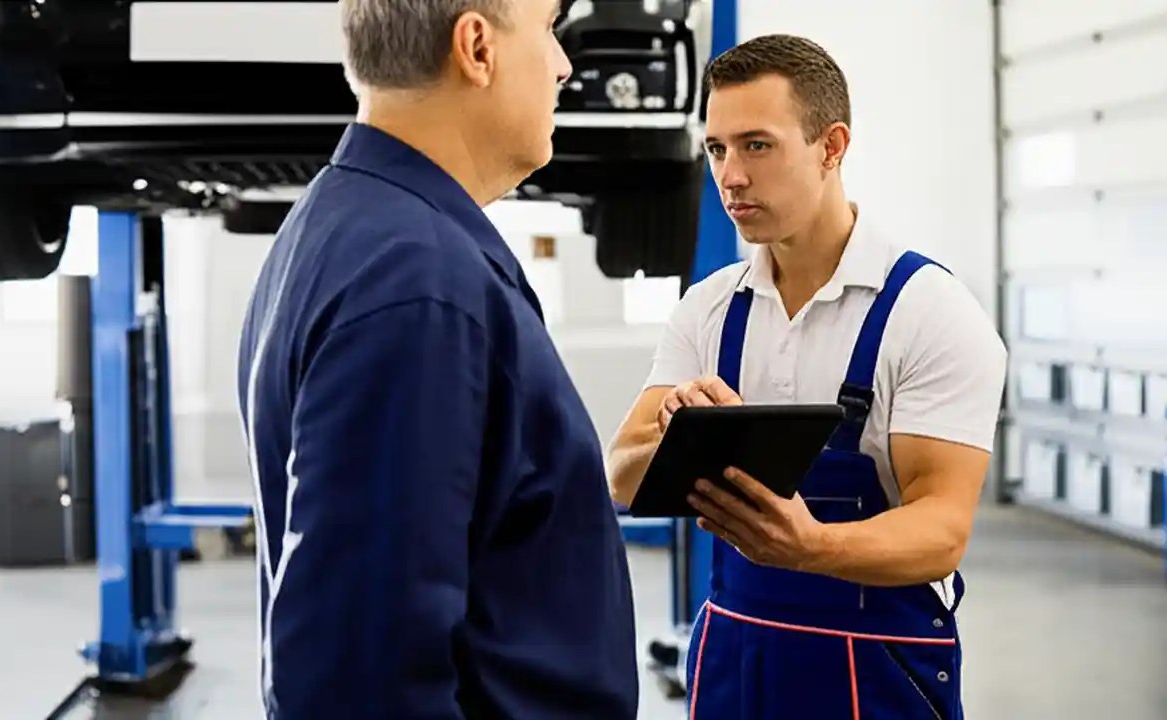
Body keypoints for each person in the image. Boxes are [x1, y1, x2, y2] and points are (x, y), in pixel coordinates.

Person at [236, 1, 638, 718]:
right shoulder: (415, 282)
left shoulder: (354, 227)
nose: (564, 65)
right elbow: (356, 678)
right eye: (548, 28)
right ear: (477, 47)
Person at [606, 34, 1006, 719]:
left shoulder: (928, 313)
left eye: (757, 145)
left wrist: (813, 546)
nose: (730, 175)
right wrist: (676, 433)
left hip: (877, 666)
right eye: (717, 149)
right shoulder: (709, 312)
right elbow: (621, 477)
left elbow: (942, 528)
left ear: (831, 146)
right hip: (732, 655)